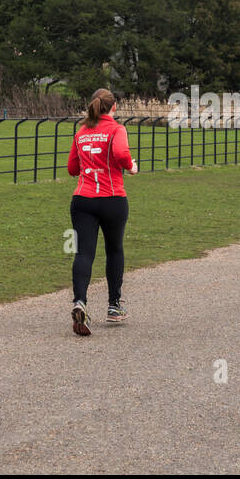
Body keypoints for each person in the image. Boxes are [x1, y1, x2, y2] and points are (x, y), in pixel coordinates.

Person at [65, 88, 138, 336]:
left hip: (83, 199)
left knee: (83, 252)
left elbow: (72, 168)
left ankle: (80, 301)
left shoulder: (81, 132)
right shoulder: (117, 129)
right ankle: (114, 306)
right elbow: (120, 153)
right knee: (114, 249)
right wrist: (131, 166)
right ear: (114, 106)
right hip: (112, 198)